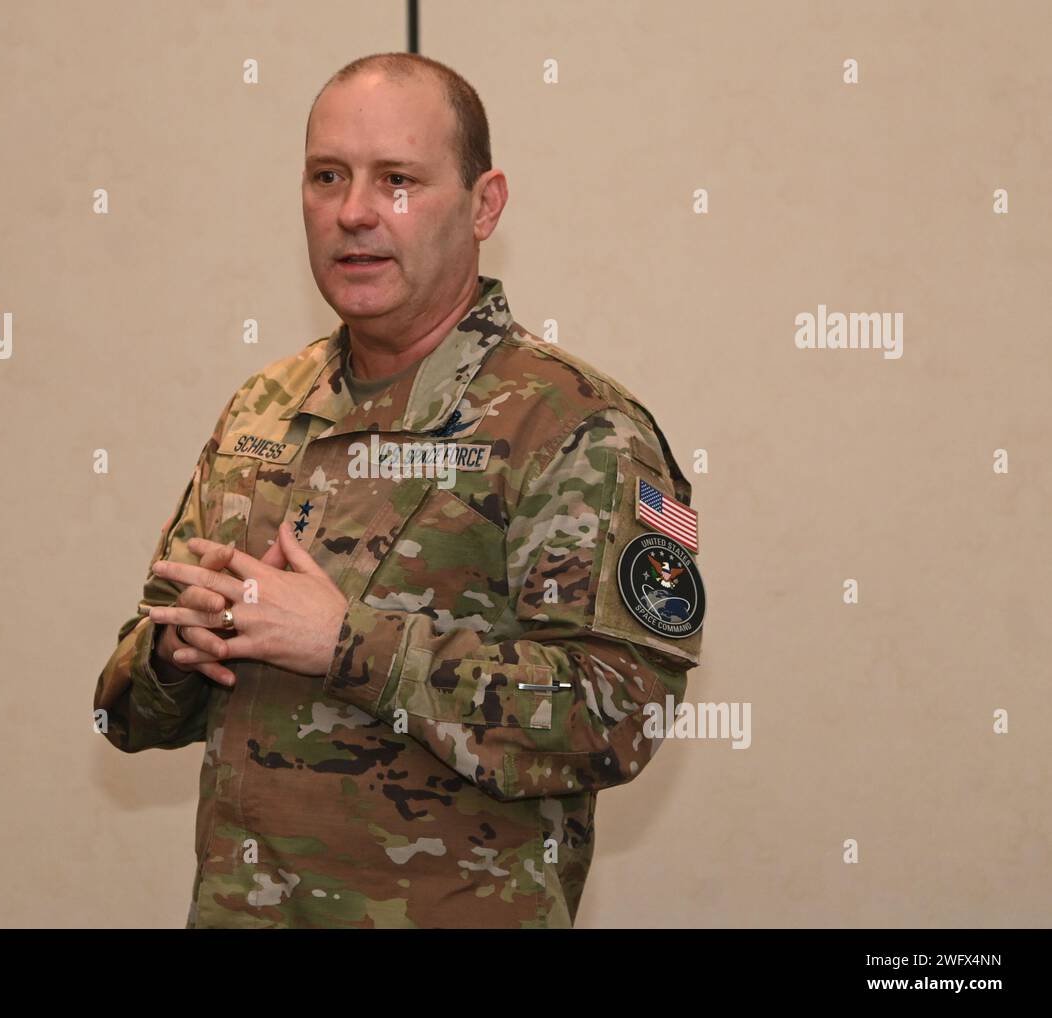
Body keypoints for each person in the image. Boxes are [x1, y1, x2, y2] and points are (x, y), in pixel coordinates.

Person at [93, 52, 706, 929]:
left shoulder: (580, 428)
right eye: (328, 176)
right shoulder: (262, 410)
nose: (354, 212)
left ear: (485, 204)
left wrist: (348, 643)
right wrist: (171, 653)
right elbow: (121, 715)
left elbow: (620, 717)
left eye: (399, 181)